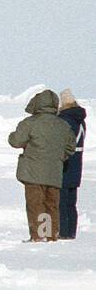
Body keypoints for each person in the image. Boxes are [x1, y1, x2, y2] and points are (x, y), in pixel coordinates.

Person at [8, 89, 76, 242]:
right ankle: (51, 236)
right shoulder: (63, 125)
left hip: (33, 172)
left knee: (36, 204)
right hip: (54, 172)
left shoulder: (30, 123)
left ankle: (39, 236)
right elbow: (71, 147)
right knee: (52, 205)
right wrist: (58, 157)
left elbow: (15, 141)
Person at [57, 88, 85, 240]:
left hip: (66, 164)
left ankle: (64, 231)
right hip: (77, 164)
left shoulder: (65, 120)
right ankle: (71, 232)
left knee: (62, 200)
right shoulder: (80, 120)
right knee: (71, 202)